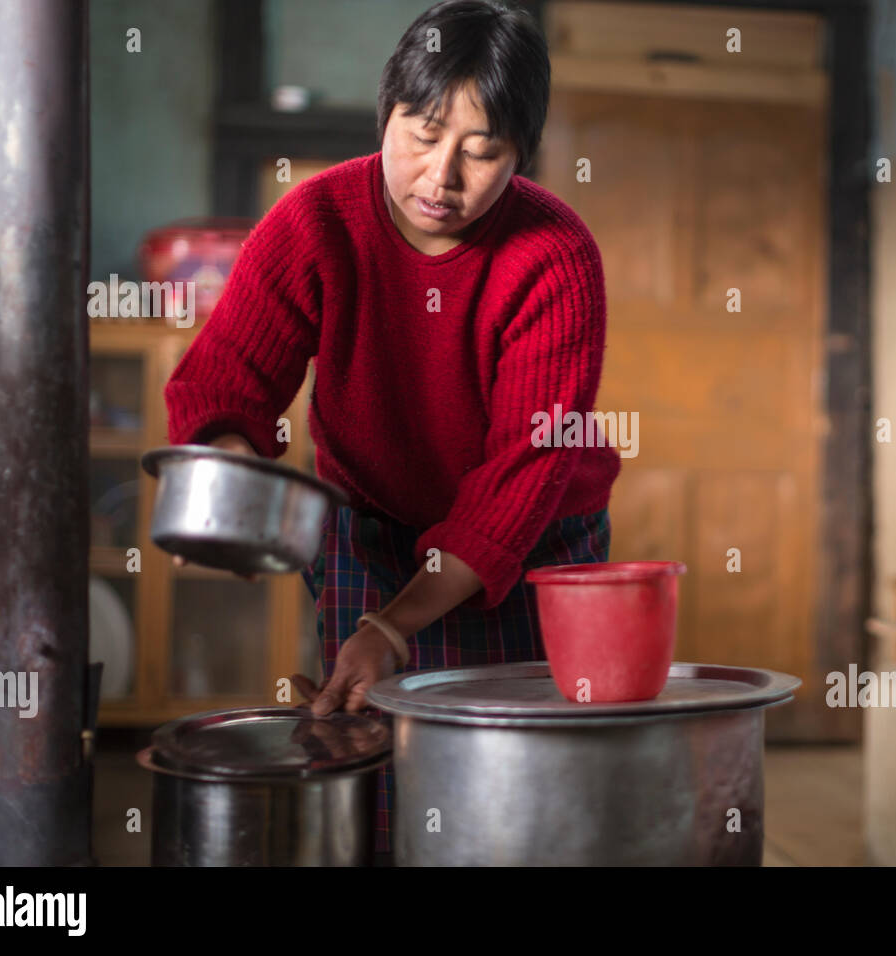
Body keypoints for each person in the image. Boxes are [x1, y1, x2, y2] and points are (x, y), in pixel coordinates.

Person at [163, 0, 620, 864]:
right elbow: (228, 382)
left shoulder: (555, 257)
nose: (440, 176)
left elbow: (517, 483)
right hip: (369, 520)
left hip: (532, 540)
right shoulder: (314, 222)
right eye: (422, 131)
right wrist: (218, 484)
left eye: (482, 151)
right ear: (386, 114)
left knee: (511, 783)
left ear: (523, 155)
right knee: (368, 753)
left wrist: (393, 624)